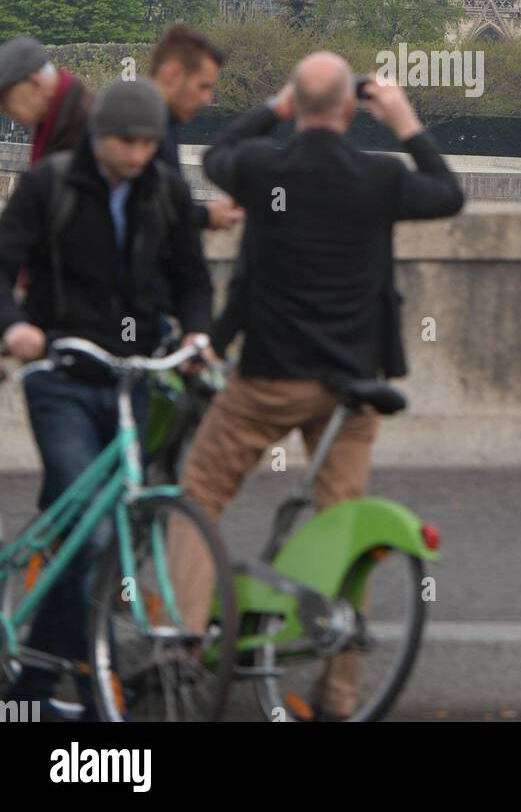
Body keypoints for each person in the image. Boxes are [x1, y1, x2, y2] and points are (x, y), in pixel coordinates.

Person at [176, 52, 465, 720]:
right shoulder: (377, 177)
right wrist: (404, 121)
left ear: (296, 107)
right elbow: (447, 193)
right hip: (350, 385)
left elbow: (218, 150)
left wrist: (275, 108)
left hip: (268, 376)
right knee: (342, 531)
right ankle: (337, 700)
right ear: (347, 109)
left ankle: (184, 646)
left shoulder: (260, 169)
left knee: (201, 495)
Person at [0, 79, 213, 721]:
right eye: (128, 141)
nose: (140, 153)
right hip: (61, 377)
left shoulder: (168, 191)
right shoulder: (51, 185)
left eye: (150, 142)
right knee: (93, 533)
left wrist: (199, 332)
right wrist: (15, 326)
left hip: (132, 378)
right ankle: (96, 686)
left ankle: (36, 685)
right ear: (100, 138)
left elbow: (192, 280)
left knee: (108, 534)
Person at [148, 23, 244, 234]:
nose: (207, 99)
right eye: (203, 86)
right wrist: (206, 215)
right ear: (171, 74)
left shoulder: (162, 125)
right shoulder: (147, 132)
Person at [0, 36, 91, 165]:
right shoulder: (60, 121)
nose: (3, 109)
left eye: (6, 98)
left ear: (35, 84)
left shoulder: (89, 128)